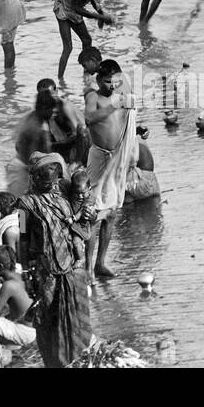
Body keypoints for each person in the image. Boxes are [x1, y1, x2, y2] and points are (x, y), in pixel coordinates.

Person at [14, 158, 92, 367]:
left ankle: (78, 358)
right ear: (34, 179)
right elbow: (22, 237)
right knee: (48, 318)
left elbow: (81, 220)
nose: (50, 185)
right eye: (45, 181)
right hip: (44, 271)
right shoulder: (25, 205)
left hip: (71, 268)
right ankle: (54, 361)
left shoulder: (64, 196)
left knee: (76, 315)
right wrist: (24, 272)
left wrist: (87, 216)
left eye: (52, 181)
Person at [81, 60, 136, 277]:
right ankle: (87, 268)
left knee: (111, 213)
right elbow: (88, 119)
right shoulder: (93, 97)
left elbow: (126, 123)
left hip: (118, 158)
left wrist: (136, 134)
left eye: (115, 82)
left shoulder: (122, 97)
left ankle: (100, 263)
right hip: (100, 157)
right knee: (94, 214)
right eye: (107, 82)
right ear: (98, 80)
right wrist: (113, 105)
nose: (112, 86)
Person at [53, 0, 112, 80]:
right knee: (68, 47)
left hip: (74, 12)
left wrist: (101, 13)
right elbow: (78, 8)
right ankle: (60, 79)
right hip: (64, 10)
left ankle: (86, 72)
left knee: (87, 40)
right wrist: (98, 17)